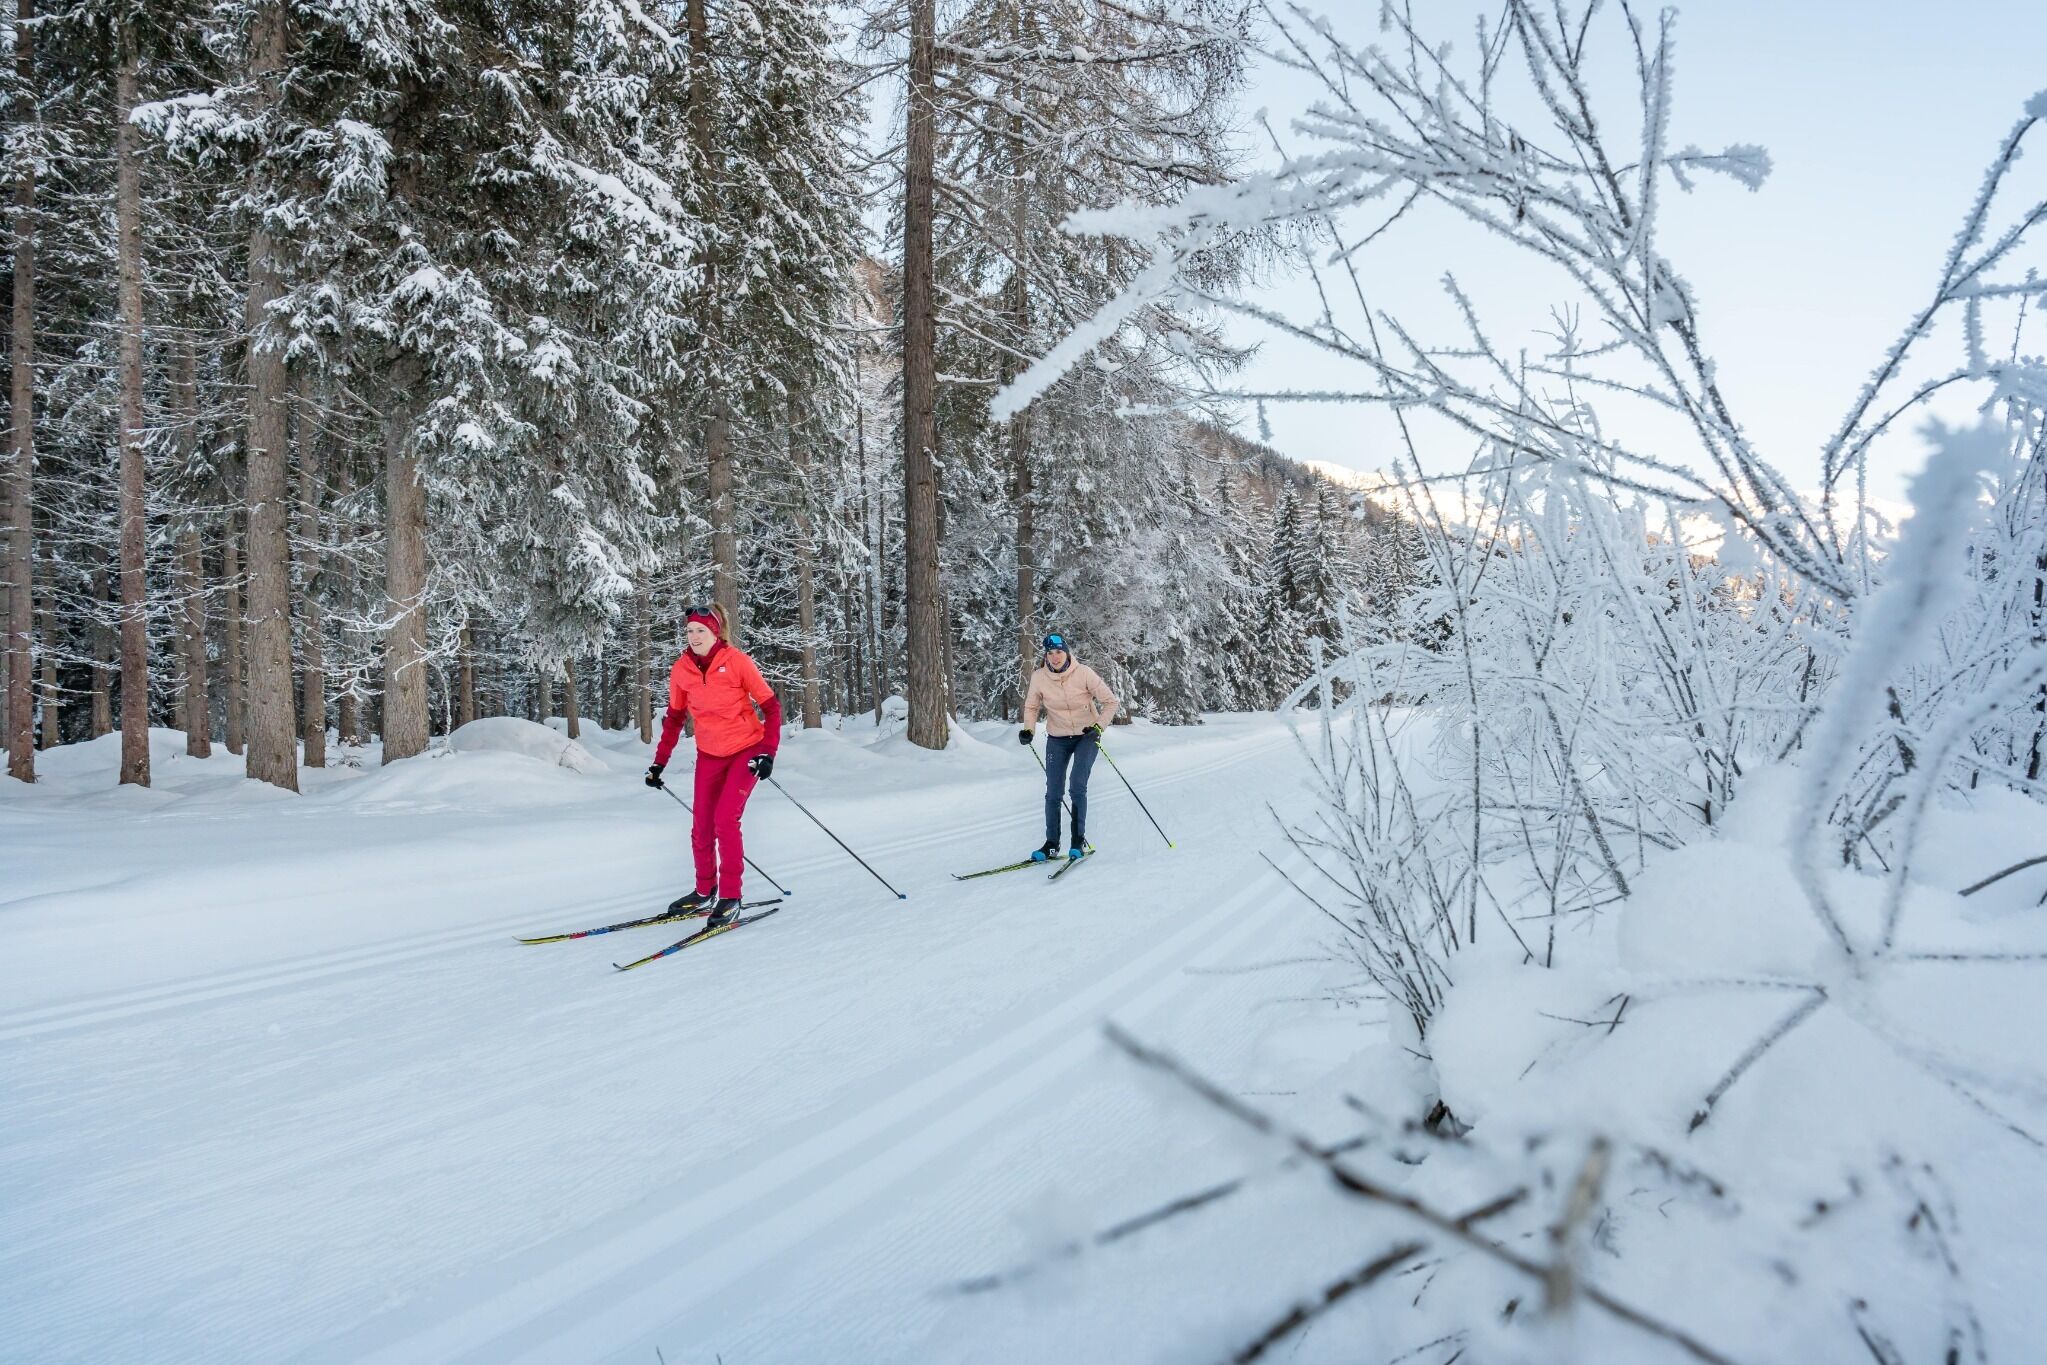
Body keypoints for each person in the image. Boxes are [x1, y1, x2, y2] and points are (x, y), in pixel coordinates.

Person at [644, 603, 782, 925]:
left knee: (724, 819)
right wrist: (659, 763)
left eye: (701, 631)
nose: (694, 636)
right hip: (709, 754)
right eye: (690, 631)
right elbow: (675, 718)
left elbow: (771, 708)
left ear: (715, 632)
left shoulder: (737, 662)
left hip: (746, 749)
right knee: (701, 825)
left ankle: (731, 896)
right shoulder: (681, 670)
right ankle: (705, 892)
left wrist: (769, 752)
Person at [1018, 631, 1119, 861]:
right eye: (1050, 653)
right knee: (1053, 791)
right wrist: (1028, 729)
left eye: (1059, 652)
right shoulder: (1039, 677)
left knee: (1076, 786)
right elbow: (1032, 706)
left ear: (1066, 652)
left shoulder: (1083, 673)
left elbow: (1111, 702)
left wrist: (1099, 726)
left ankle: (1077, 841)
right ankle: (1051, 844)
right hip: (1057, 738)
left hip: (1086, 736)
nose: (1055, 657)